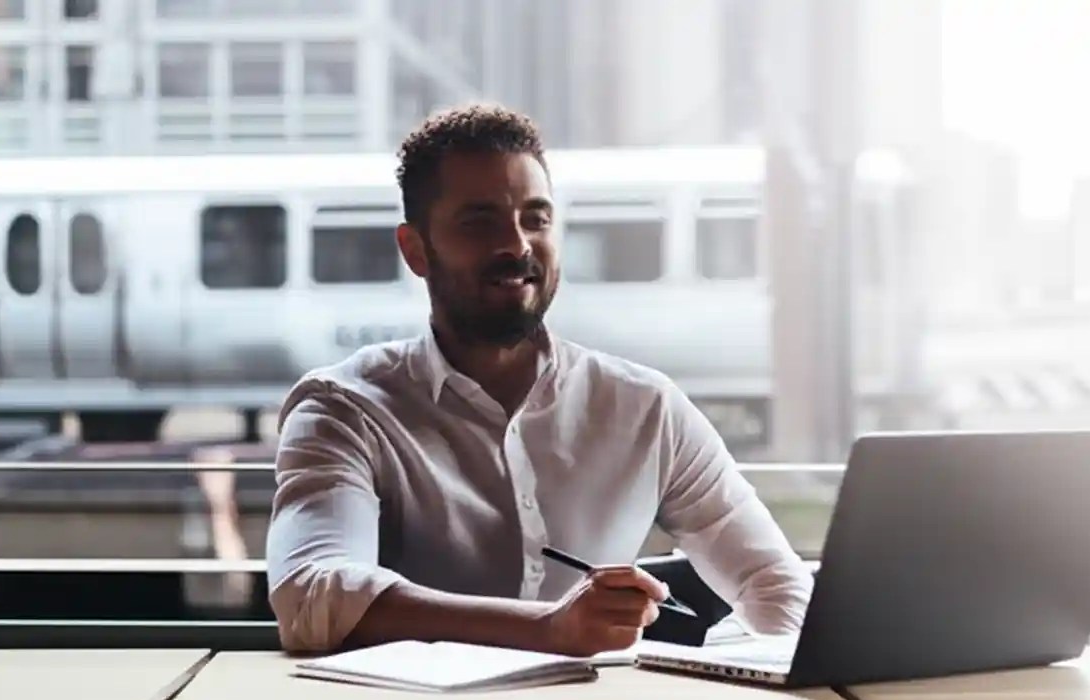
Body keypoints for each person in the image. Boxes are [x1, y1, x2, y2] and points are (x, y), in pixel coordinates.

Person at [266, 103, 813, 656]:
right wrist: (547, 630)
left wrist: (723, 679)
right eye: (481, 222)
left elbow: (778, 585)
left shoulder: (646, 407)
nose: (518, 244)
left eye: (536, 217)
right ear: (415, 250)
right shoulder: (344, 409)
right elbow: (314, 598)